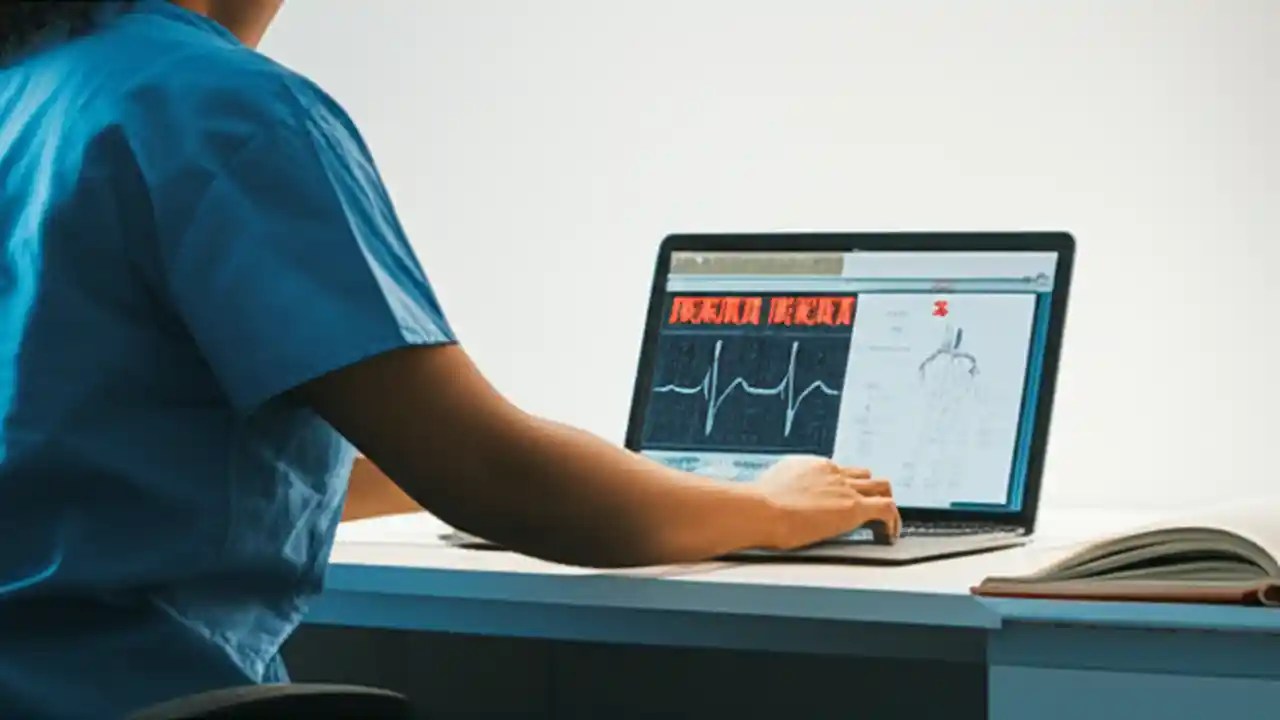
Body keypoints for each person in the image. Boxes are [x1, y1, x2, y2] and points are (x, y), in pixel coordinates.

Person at [0, 1, 900, 717]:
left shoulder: (33, 90)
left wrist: (639, 481)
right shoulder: (218, 106)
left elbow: (91, 457)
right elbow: (508, 487)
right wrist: (763, 508)